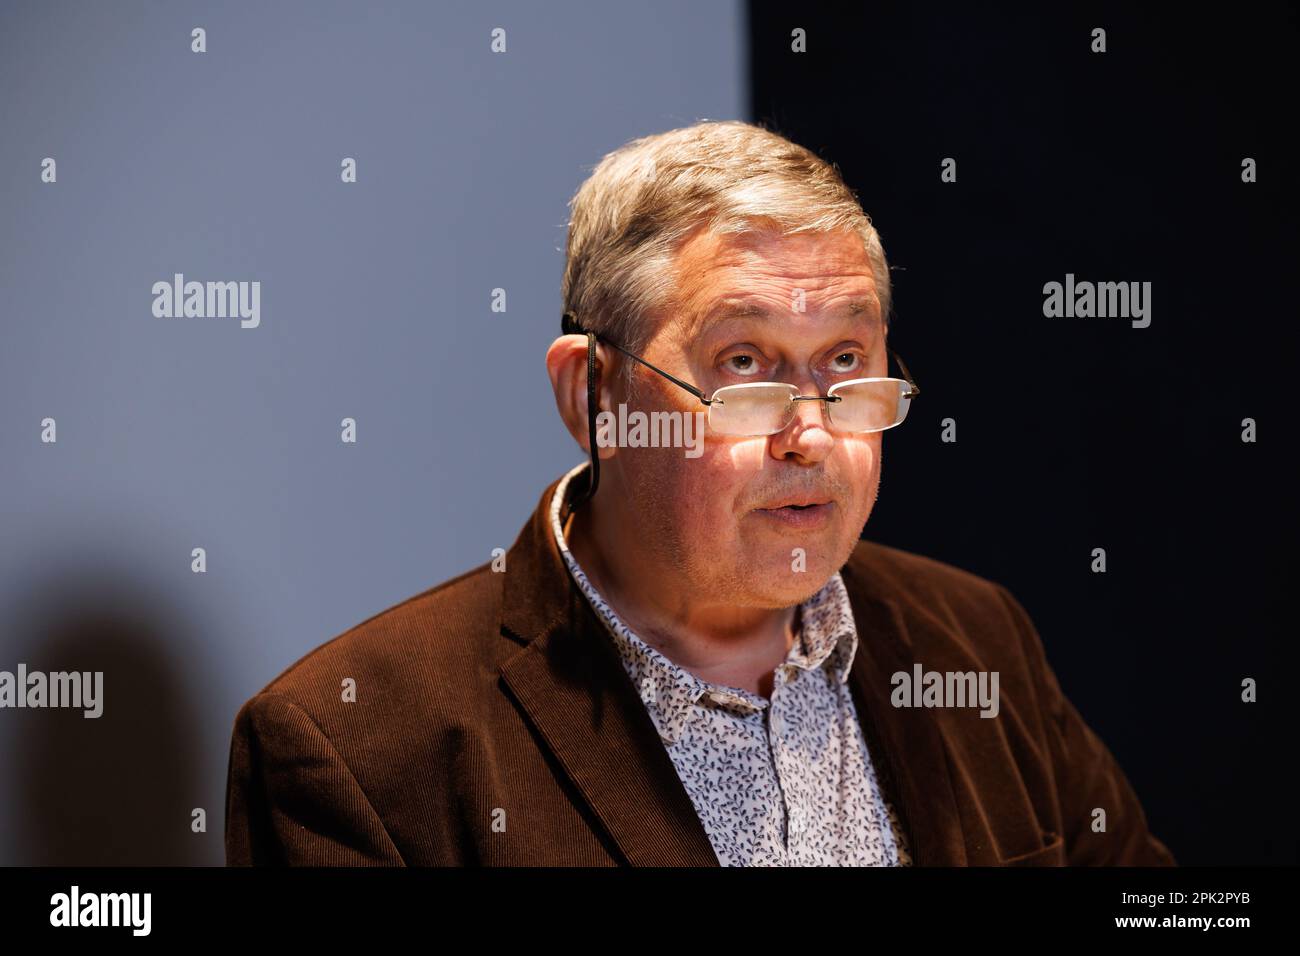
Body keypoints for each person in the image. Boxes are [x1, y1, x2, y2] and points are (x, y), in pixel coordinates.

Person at [225, 120, 1175, 866]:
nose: (811, 432)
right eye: (746, 365)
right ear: (594, 395)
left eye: (846, 361)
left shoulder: (974, 637)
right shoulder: (356, 748)